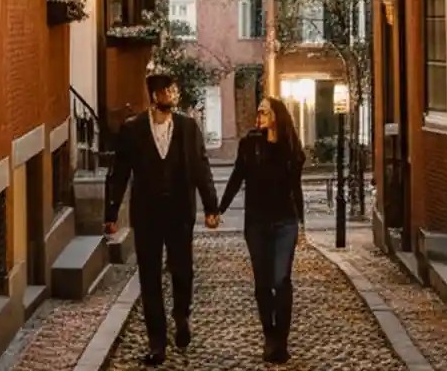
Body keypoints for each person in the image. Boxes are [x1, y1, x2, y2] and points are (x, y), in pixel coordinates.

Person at [104, 73, 221, 366]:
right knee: (150, 278)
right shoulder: (132, 130)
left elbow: (200, 168)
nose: (173, 94)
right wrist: (111, 212)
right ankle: (157, 342)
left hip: (180, 214)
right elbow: (119, 174)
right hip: (147, 216)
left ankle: (181, 316)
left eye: (174, 89)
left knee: (183, 272)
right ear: (155, 96)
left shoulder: (188, 127)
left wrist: (211, 206)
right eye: (168, 90)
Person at [217, 96, 306, 364]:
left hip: (284, 222)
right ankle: (269, 335)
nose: (259, 115)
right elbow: (236, 178)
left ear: (276, 116)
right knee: (263, 283)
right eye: (258, 111)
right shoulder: (249, 144)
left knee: (282, 280)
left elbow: (295, 187)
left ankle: (282, 339)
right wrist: (218, 209)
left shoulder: (290, 147)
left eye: (264, 111)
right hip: (256, 223)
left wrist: (302, 222)